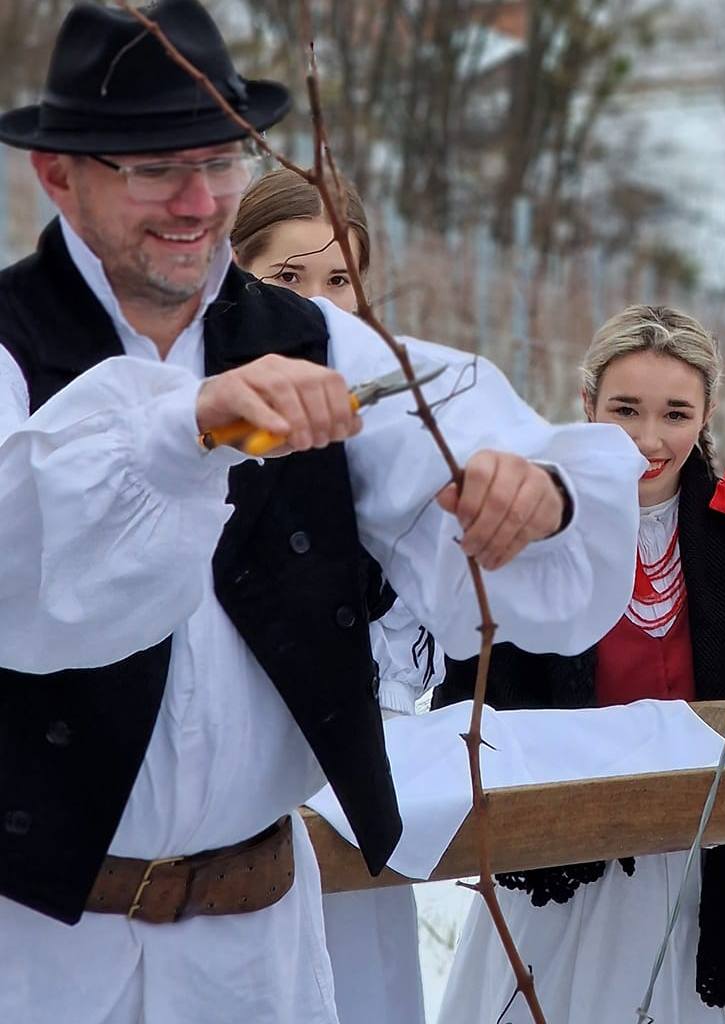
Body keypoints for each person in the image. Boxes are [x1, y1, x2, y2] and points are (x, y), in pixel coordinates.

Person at [0, 3, 643, 1023]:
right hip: (36, 953)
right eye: (155, 167)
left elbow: (468, 422)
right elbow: (19, 569)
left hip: (253, 948)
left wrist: (541, 488)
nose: (197, 200)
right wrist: (182, 431)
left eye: (217, 161)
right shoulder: (9, 345)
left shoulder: (312, 342)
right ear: (60, 175)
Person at [434, 304, 725, 1024]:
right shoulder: (529, 528)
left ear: (707, 411)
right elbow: (472, 692)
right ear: (586, 404)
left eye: (676, 413)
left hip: (706, 873)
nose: (650, 439)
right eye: (625, 409)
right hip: (564, 856)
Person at [232, 165, 438, 1024]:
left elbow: (420, 649)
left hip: (355, 802)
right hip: (226, 830)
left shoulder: (393, 439)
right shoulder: (187, 426)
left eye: (339, 281)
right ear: (232, 276)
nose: (317, 308)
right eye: (287, 278)